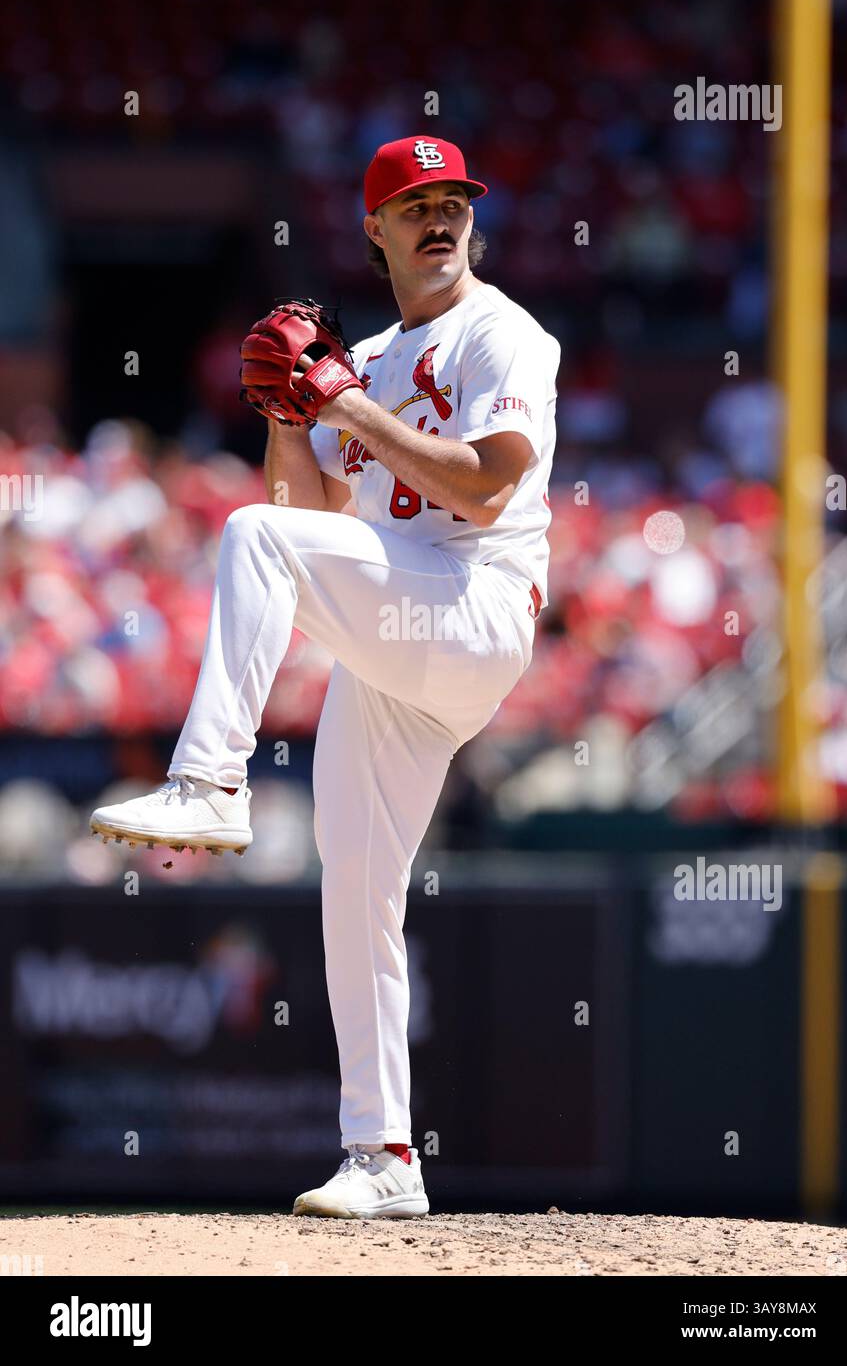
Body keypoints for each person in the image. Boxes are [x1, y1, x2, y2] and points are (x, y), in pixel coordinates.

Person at [91, 136, 561, 1218]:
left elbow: (486, 494)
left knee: (249, 540)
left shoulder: (504, 335)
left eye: (452, 203)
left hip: (475, 608)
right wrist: (285, 409)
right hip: (397, 626)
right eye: (413, 206)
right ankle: (383, 1155)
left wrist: (341, 404)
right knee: (354, 890)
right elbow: (312, 524)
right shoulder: (379, 354)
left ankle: (209, 781)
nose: (438, 220)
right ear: (375, 231)